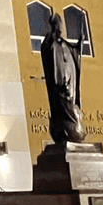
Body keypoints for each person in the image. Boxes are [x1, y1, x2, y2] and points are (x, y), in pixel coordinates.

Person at [40, 12, 85, 143]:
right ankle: (66, 129)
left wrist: (80, 42)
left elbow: (74, 52)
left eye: (60, 26)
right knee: (64, 105)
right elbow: (50, 55)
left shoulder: (63, 43)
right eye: (57, 26)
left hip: (69, 84)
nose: (60, 29)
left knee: (72, 102)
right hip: (60, 85)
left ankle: (73, 131)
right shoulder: (50, 41)